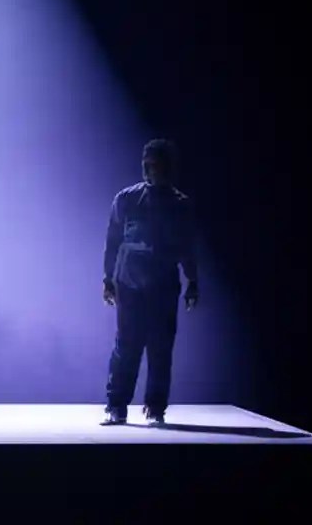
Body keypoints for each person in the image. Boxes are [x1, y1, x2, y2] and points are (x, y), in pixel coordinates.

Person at [101, 139, 199, 426]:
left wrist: (193, 281)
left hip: (163, 286)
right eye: (146, 163)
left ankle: (155, 408)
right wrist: (107, 279)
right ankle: (116, 405)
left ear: (167, 167)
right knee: (126, 346)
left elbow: (187, 248)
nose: (149, 169)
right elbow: (112, 242)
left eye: (155, 164)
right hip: (129, 284)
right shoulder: (126, 199)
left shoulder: (180, 205)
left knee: (160, 348)